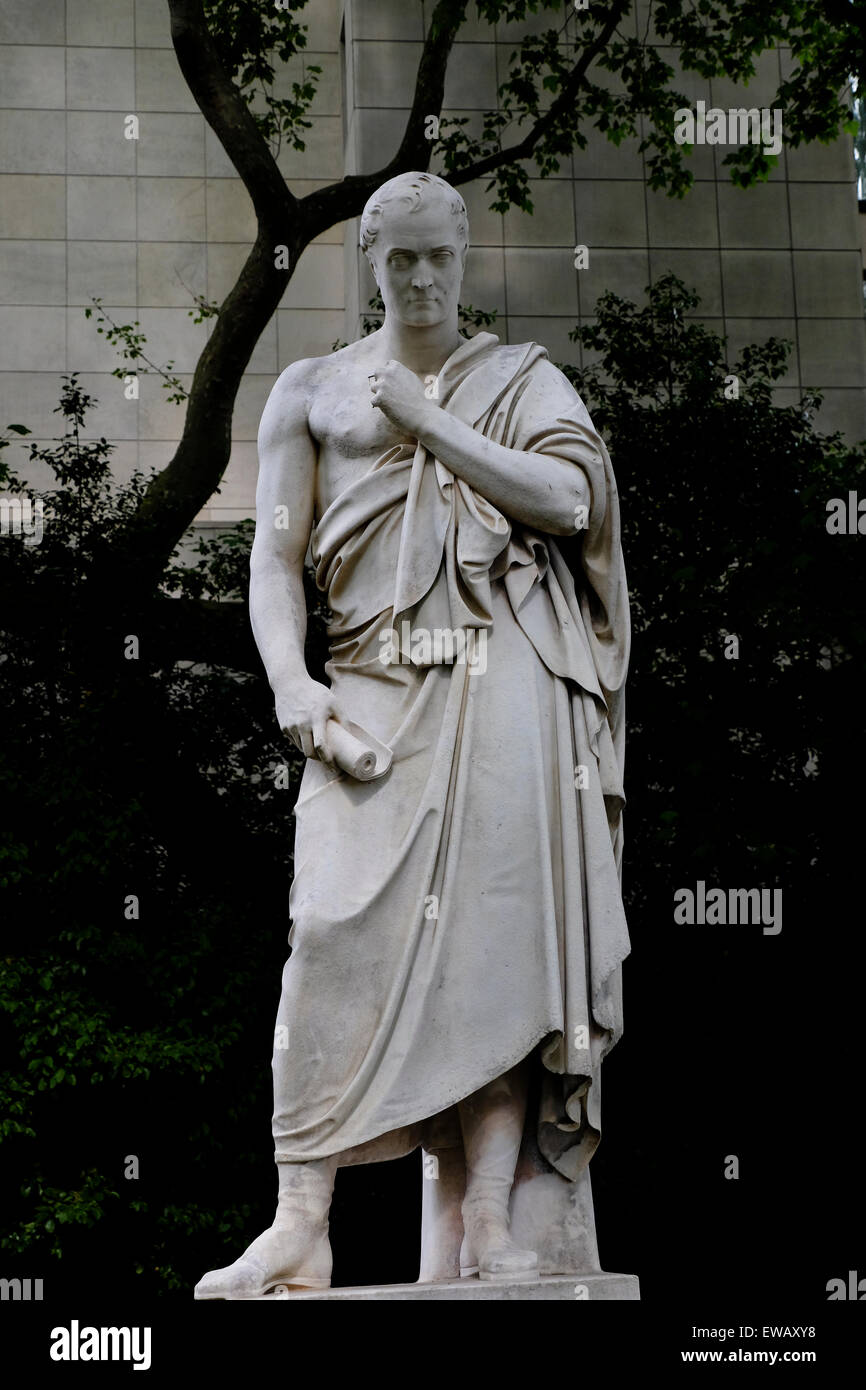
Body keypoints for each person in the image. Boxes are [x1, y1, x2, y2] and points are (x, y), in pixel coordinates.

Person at [194, 171, 630, 1299]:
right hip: (372, 693)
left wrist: (429, 420)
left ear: (465, 252)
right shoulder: (310, 389)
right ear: (369, 265)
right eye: (401, 260)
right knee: (324, 936)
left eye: (440, 255)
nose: (423, 277)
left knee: (489, 955)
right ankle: (300, 1218)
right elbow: (272, 561)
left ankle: (487, 1209)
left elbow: (570, 501)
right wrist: (292, 684)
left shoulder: (517, 381)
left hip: (500, 685)